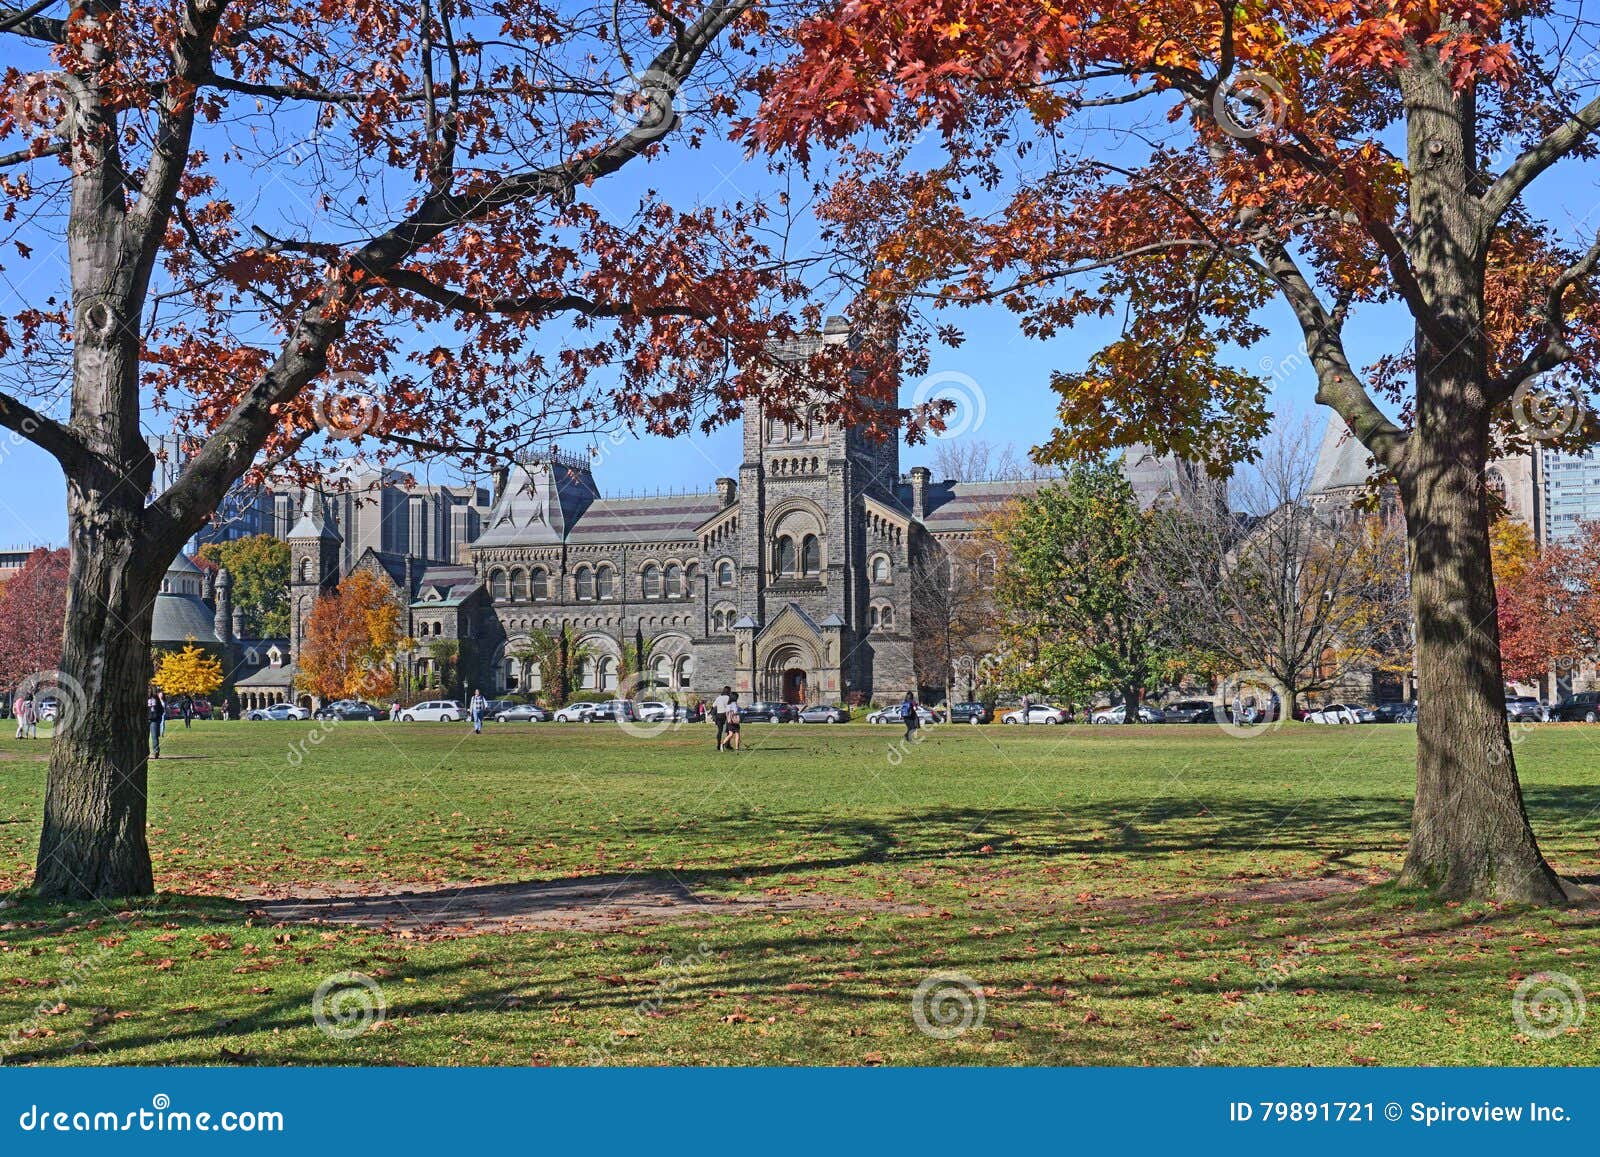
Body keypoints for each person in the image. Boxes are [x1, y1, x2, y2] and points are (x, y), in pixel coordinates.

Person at [711, 685, 732, 751]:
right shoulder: (728, 698)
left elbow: (714, 705)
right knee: (728, 731)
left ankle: (718, 745)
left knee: (719, 731)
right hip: (726, 715)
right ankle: (727, 744)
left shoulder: (719, 697)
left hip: (719, 715)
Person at [147, 689, 165, 759]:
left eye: (149, 689)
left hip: (154, 720)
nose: (148, 691)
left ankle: (156, 751)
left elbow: (161, 709)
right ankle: (146, 753)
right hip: (145, 720)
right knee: (145, 738)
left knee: (154, 736)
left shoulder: (155, 697)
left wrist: (158, 717)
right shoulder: (142, 698)